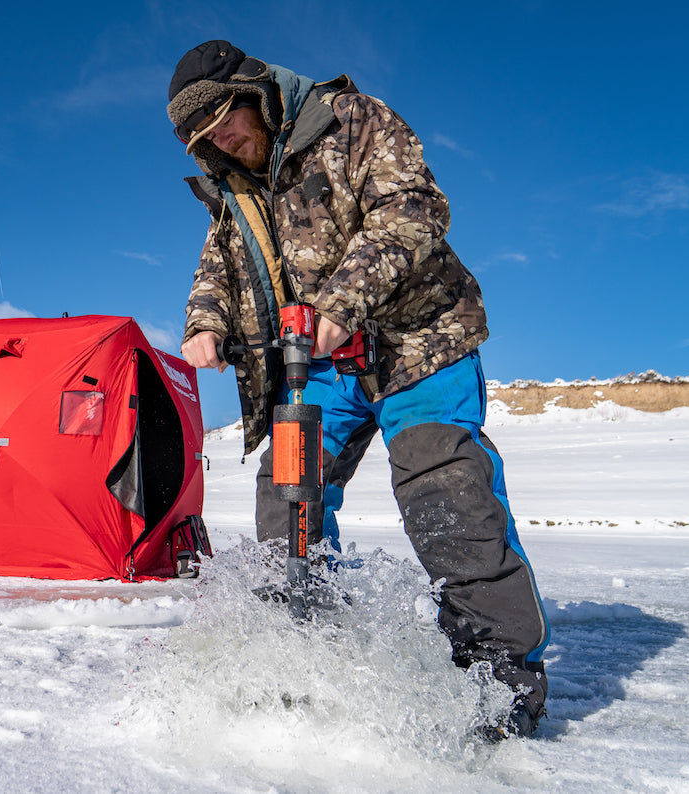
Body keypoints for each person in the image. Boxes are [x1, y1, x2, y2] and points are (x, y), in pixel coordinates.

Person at [168, 40, 550, 739]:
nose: (223, 139)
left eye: (226, 119)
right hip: (322, 369)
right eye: (205, 136)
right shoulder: (234, 190)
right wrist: (205, 324)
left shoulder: (352, 120)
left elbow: (413, 211)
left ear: (255, 92)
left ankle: (498, 688)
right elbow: (219, 264)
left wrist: (341, 302)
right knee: (287, 496)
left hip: (419, 343)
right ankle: (311, 651)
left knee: (444, 493)